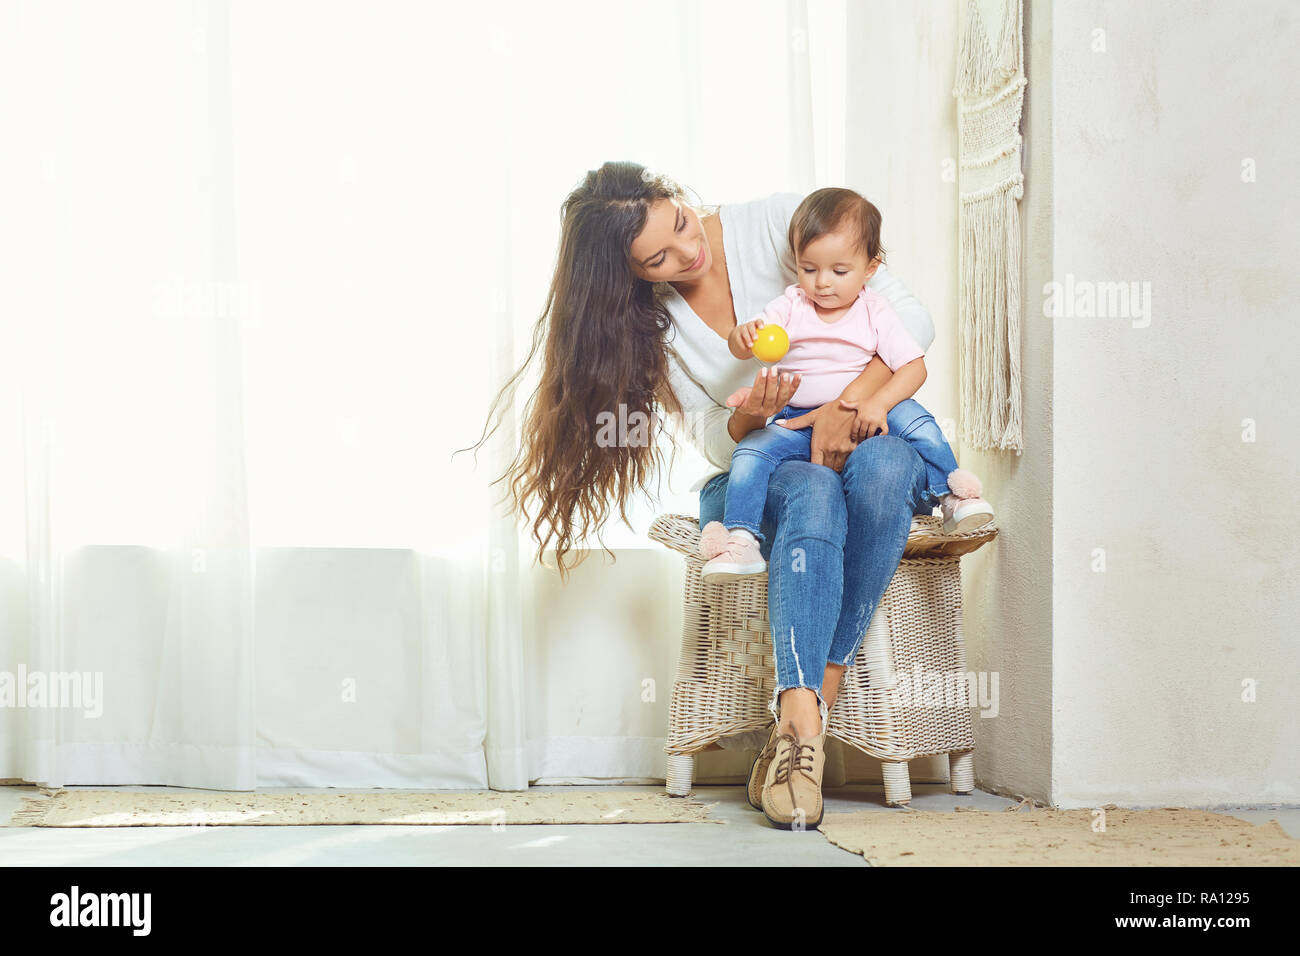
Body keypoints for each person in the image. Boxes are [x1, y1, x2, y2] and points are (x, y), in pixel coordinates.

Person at [463, 161, 940, 831]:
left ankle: (795, 731)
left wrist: (844, 405)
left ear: (679, 198)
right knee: (809, 487)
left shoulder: (776, 221)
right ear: (630, 274)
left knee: (890, 466)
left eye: (681, 223)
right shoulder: (651, 327)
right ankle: (805, 731)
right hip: (765, 466)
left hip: (866, 433)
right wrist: (752, 417)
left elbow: (911, 320)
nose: (689, 252)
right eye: (658, 257)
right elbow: (717, 439)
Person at [698, 186, 993, 584]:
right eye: (808, 268)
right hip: (797, 420)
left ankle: (954, 495)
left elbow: (914, 368)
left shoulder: (875, 310)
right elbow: (743, 348)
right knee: (750, 451)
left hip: (869, 405)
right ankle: (742, 538)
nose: (822, 283)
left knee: (919, 422)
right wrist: (742, 336)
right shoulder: (790, 305)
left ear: (870, 268)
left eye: (839, 271)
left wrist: (878, 401)